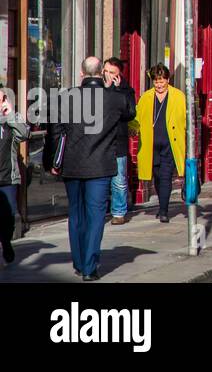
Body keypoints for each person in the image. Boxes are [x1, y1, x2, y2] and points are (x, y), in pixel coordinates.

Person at [48, 57, 134, 280]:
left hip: (72, 165)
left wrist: (53, 162)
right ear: (102, 73)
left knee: (76, 214)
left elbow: (55, 132)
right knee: (96, 216)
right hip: (100, 166)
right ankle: (89, 266)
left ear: (81, 73)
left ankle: (78, 261)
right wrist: (117, 87)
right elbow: (130, 112)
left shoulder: (65, 98)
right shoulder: (114, 99)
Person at [129, 64, 185, 223]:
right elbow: (138, 117)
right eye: (156, 82)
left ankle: (163, 210)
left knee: (166, 176)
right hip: (150, 144)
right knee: (158, 177)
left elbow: (185, 120)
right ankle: (162, 204)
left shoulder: (178, 96)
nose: (159, 85)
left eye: (162, 82)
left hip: (169, 143)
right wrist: (132, 128)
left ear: (167, 80)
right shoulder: (146, 97)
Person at [102, 57, 136, 225]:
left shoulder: (126, 90)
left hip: (118, 139)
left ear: (119, 75)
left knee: (118, 179)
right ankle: (100, 210)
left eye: (112, 73)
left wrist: (116, 91)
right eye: (106, 71)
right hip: (99, 139)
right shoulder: (97, 87)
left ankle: (119, 212)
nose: (108, 75)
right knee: (99, 178)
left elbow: (130, 113)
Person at [0, 88, 28, 265]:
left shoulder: (11, 120)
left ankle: (6, 241)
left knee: (9, 215)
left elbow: (25, 134)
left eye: (2, 97)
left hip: (8, 178)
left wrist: (11, 115)